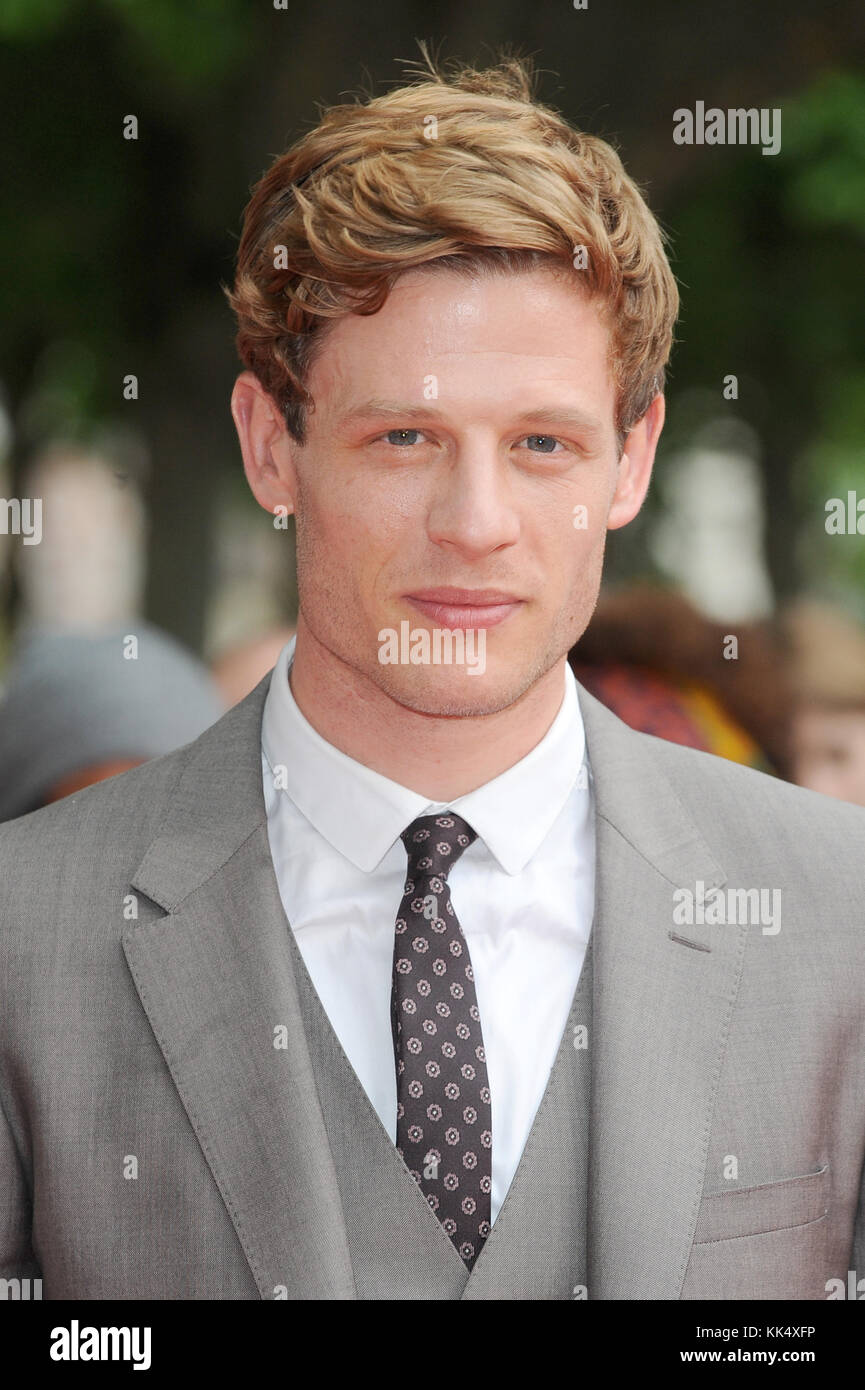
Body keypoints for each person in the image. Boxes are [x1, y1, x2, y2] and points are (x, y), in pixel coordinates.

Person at [1, 53, 863, 1303]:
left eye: (542, 444)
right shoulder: (25, 939)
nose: (476, 521)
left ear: (631, 463)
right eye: (403, 436)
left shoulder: (837, 916)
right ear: (268, 445)